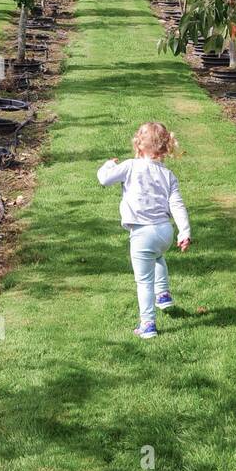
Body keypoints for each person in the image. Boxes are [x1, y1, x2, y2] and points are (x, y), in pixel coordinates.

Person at [97, 121, 191, 339]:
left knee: (143, 280)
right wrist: (184, 232)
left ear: (138, 146)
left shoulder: (130, 166)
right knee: (157, 257)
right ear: (165, 147)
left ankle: (147, 323)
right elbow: (177, 205)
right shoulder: (168, 175)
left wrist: (108, 165)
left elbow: (103, 179)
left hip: (142, 233)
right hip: (164, 232)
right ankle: (164, 294)